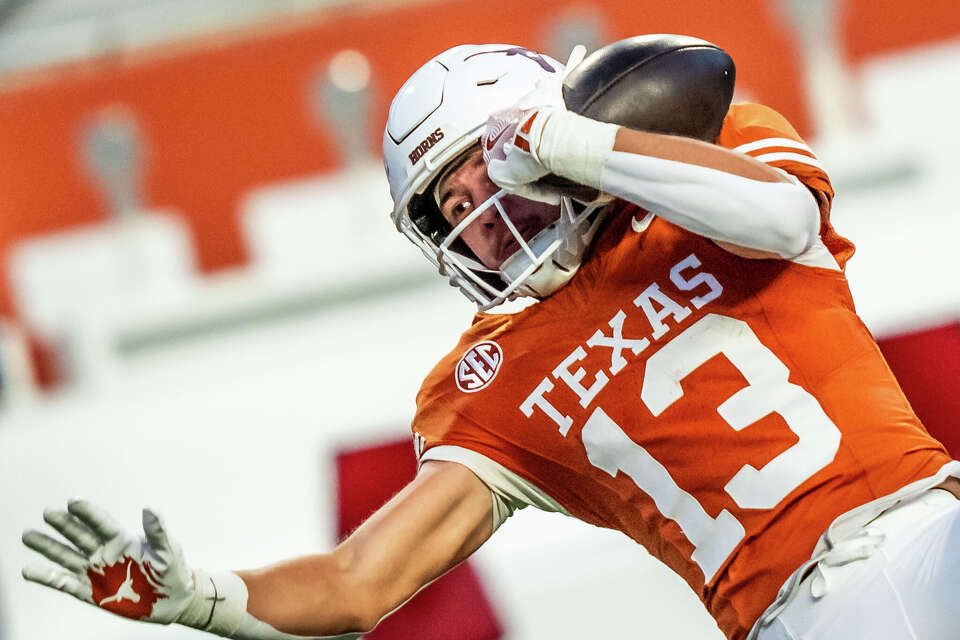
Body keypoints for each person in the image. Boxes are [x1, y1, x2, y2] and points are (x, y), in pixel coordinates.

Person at [20, 40, 960, 640]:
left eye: (487, 168)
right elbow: (359, 581)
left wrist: (570, 144)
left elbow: (782, 218)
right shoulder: (491, 380)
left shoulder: (706, 166)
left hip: (926, 529)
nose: (481, 214)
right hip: (797, 618)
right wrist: (200, 596)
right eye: (454, 204)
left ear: (544, 133)